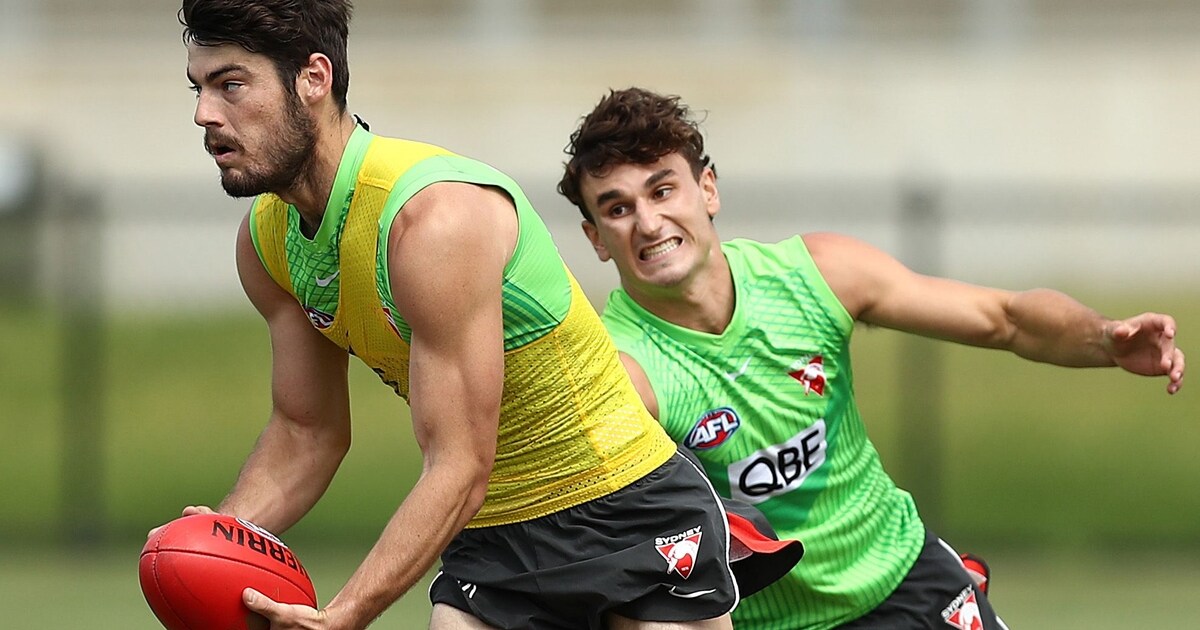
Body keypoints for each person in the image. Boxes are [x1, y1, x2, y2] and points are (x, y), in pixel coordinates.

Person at [163, 4, 803, 630]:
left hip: (626, 509)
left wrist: (345, 614)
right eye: (199, 88)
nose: (204, 114)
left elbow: (461, 462)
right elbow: (307, 432)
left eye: (231, 85)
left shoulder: (433, 219)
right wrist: (219, 538)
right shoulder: (269, 243)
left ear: (313, 80)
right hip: (496, 533)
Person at [557, 87, 1186, 630]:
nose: (647, 221)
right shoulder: (620, 368)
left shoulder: (816, 275)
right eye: (618, 207)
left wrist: (1104, 337)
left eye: (662, 190)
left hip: (903, 577)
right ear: (596, 239)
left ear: (708, 189)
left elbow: (1006, 318)